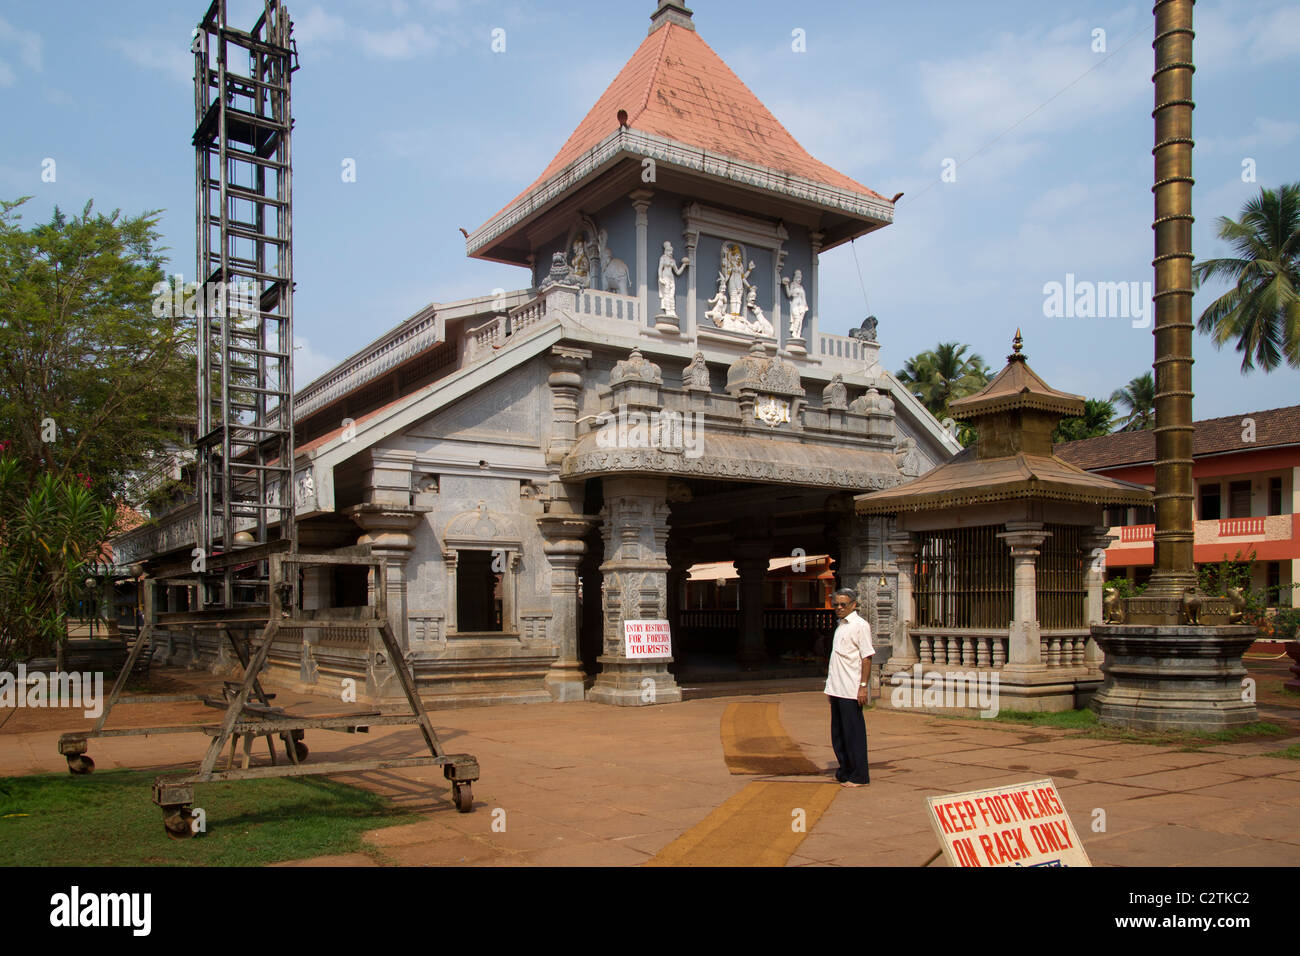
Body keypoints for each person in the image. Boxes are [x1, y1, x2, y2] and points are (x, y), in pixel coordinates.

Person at [825, 587, 873, 787]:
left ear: (853, 605)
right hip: (836, 688)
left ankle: (859, 775)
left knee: (853, 733)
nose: (838, 608)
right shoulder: (840, 626)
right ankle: (845, 769)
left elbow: (867, 657)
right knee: (838, 734)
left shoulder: (860, 626)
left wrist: (863, 687)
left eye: (843, 604)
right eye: (835, 604)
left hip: (851, 689)